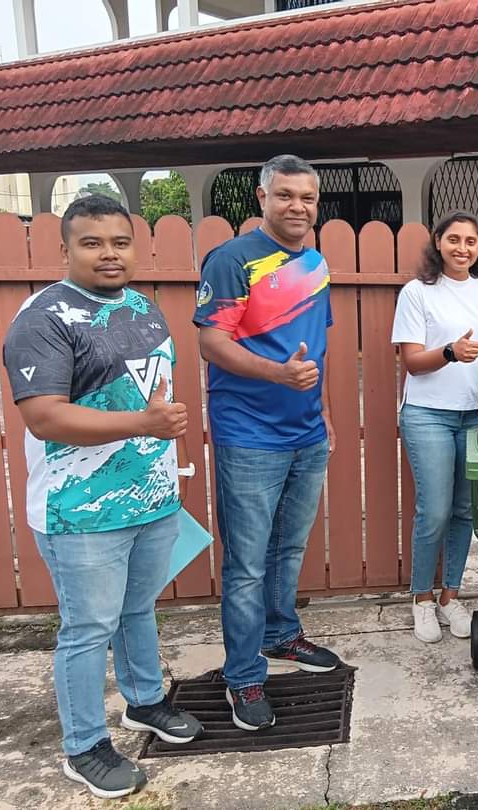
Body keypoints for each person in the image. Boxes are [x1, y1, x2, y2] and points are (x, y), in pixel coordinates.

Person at [2, 195, 202, 799]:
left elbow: (153, 396)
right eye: (92, 242)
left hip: (151, 497)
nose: (109, 253)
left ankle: (143, 703)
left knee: (139, 610)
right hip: (80, 511)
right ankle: (83, 745)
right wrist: (144, 425)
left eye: (119, 241)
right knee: (87, 627)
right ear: (64, 249)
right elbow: (44, 418)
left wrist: (158, 444)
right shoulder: (43, 318)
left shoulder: (143, 307)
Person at [194, 154, 340, 733]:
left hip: (305, 430)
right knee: (248, 565)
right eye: (285, 196)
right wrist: (277, 375)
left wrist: (322, 409)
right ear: (262, 198)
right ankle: (243, 675)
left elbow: (313, 347)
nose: (297, 207)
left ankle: (282, 635)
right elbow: (211, 343)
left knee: (287, 549)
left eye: (307, 197)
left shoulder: (316, 262)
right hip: (249, 434)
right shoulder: (232, 261)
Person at [392, 211, 478, 644]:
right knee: (434, 511)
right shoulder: (417, 293)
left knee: (463, 511)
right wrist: (452, 353)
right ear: (438, 243)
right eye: (454, 239)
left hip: (473, 416)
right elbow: (413, 363)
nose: (462, 248)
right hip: (427, 413)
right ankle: (421, 598)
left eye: (471, 241)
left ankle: (449, 597)